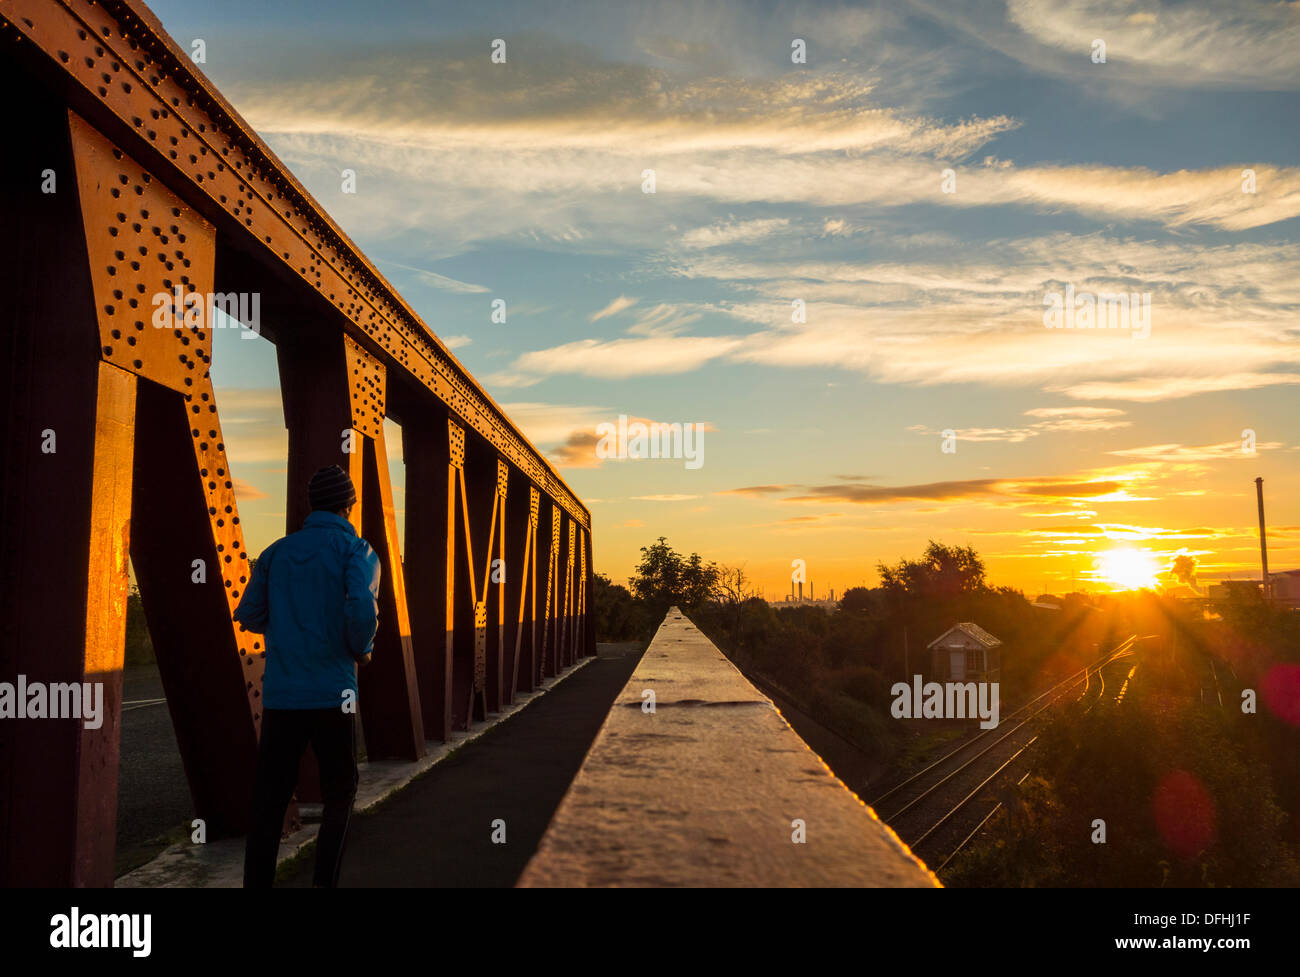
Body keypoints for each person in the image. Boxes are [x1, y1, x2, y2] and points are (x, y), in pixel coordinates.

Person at [234, 464, 382, 888]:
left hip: (282, 696)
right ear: (349, 505)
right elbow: (360, 611)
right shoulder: (357, 551)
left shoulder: (277, 552)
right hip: (334, 692)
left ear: (311, 505)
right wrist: (362, 649)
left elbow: (250, 614)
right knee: (340, 791)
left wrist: (291, 624)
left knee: (270, 799)